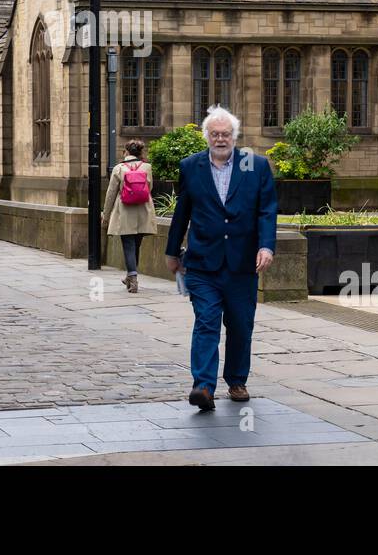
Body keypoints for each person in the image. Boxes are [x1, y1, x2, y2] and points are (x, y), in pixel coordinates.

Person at [165, 106, 277, 412]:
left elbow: (267, 210)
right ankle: (203, 385)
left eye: (225, 134)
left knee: (240, 325)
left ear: (234, 136)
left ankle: (237, 380)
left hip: (242, 264)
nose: (220, 139)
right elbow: (182, 212)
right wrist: (172, 252)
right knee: (206, 321)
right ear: (206, 136)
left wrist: (266, 247)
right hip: (203, 263)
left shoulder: (255, 166)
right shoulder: (191, 167)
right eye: (214, 134)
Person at [102, 139, 156, 293]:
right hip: (143, 211)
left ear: (125, 152)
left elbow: (111, 193)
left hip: (125, 211)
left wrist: (106, 215)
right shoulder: (147, 167)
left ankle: (132, 278)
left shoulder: (119, 168)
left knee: (128, 245)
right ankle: (130, 275)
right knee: (136, 245)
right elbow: (149, 188)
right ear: (140, 152)